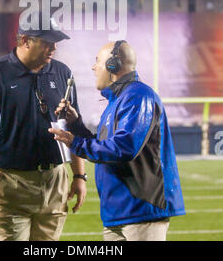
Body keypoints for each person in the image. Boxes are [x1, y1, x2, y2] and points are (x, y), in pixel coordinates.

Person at [0, 13, 87, 241]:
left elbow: (73, 128)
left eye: (56, 41)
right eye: (47, 41)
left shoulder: (63, 73)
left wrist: (80, 175)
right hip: (8, 182)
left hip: (54, 180)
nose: (54, 47)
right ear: (25, 40)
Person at [49, 40, 185, 241]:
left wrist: (75, 142)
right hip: (119, 213)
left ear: (112, 65)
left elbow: (123, 148)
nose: (94, 67)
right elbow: (105, 146)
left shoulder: (139, 96)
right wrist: (76, 124)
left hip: (141, 211)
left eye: (98, 62)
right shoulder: (119, 100)